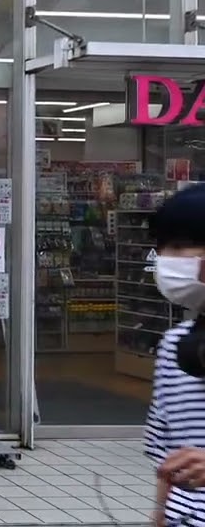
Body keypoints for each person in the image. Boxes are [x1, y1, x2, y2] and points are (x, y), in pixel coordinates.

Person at [144, 184, 205, 525]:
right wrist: (159, 517)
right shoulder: (173, 345)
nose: (171, 258)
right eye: (167, 248)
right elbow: (168, 455)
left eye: (185, 246)